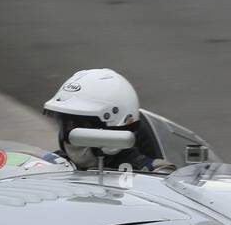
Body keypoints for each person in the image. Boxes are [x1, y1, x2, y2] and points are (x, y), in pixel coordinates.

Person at [43, 68, 175, 173]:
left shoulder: (154, 174)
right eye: (65, 123)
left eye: (79, 125)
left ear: (116, 128)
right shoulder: (52, 164)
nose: (68, 134)